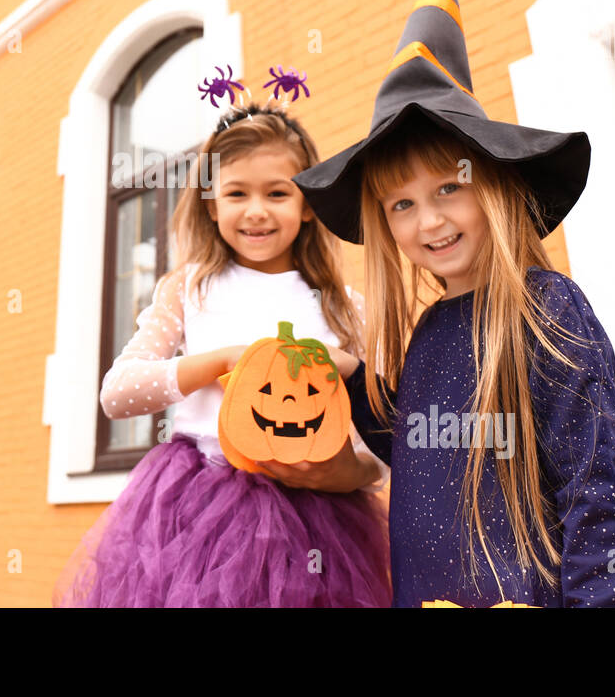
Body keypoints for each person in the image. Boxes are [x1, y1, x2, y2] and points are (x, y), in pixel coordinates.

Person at [291, 0, 615, 607]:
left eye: (450, 188)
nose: (429, 221)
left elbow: (594, 498)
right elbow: (424, 455)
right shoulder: (428, 330)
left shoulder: (547, 312)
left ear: (496, 187)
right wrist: (345, 375)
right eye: (402, 204)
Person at [53, 98, 392, 607]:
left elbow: (381, 437)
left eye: (278, 192)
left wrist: (349, 473)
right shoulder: (191, 289)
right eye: (237, 193)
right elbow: (118, 393)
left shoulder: (346, 308)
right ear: (212, 204)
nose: (256, 210)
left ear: (306, 204)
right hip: (201, 511)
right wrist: (220, 361)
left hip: (322, 521)